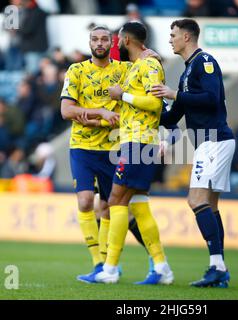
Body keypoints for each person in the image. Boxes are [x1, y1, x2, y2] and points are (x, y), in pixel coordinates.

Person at [60, 25, 156, 283]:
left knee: (111, 207)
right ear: (89, 42)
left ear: (113, 43)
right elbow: (67, 111)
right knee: (85, 202)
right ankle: (98, 263)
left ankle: (132, 262)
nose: (99, 43)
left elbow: (149, 71)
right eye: (95, 39)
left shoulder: (124, 69)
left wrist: (151, 54)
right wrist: (101, 114)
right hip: (82, 147)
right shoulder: (76, 70)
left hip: (114, 148)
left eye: (104, 39)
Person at [151, 18, 235, 288]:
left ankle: (217, 267)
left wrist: (175, 94)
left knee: (195, 200)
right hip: (207, 142)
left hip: (213, 139)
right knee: (210, 206)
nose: (170, 39)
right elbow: (173, 116)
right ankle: (218, 269)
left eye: (173, 34)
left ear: (187, 37)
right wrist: (144, 105)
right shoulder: (188, 71)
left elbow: (212, 98)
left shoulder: (204, 62)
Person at [95, 21, 174, 285]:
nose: (116, 43)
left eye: (118, 39)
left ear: (125, 39)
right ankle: (161, 267)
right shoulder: (140, 64)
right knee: (139, 205)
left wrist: (123, 96)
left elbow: (155, 103)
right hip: (134, 140)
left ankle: (110, 268)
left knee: (115, 200)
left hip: (140, 143)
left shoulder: (150, 65)